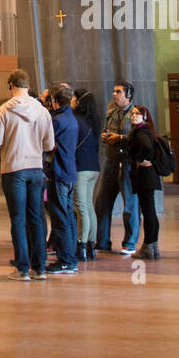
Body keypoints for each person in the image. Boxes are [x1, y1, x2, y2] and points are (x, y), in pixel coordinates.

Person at [0, 68, 55, 281]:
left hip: (13, 168)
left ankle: (22, 268)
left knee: (17, 220)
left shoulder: (3, 111)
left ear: (10, 86)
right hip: (36, 169)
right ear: (27, 86)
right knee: (36, 218)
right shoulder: (42, 110)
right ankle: (40, 268)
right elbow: (50, 144)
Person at [94, 81, 140, 255]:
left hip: (127, 164)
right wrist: (105, 137)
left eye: (119, 92)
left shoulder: (136, 113)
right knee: (102, 202)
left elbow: (139, 136)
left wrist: (120, 138)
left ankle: (130, 242)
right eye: (114, 91)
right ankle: (103, 241)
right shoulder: (111, 113)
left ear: (128, 96)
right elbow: (104, 131)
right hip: (110, 161)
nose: (114, 94)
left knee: (130, 204)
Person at [46, 85, 79, 274]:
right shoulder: (71, 118)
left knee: (60, 218)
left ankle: (66, 259)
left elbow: (47, 143)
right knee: (68, 216)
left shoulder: (57, 120)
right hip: (70, 172)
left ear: (54, 100)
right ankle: (70, 256)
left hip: (59, 172)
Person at [127, 105, 161, 259]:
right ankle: (152, 246)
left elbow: (147, 146)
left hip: (145, 175)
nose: (134, 116)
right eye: (132, 114)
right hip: (148, 176)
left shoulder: (141, 131)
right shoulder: (145, 130)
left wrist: (141, 160)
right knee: (149, 211)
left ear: (144, 116)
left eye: (138, 114)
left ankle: (149, 244)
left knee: (148, 211)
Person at [72, 89, 101, 261]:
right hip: (94, 168)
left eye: (74, 98)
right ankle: (91, 245)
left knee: (81, 207)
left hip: (81, 168)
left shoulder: (77, 121)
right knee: (89, 206)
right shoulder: (94, 122)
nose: (72, 101)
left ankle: (81, 245)